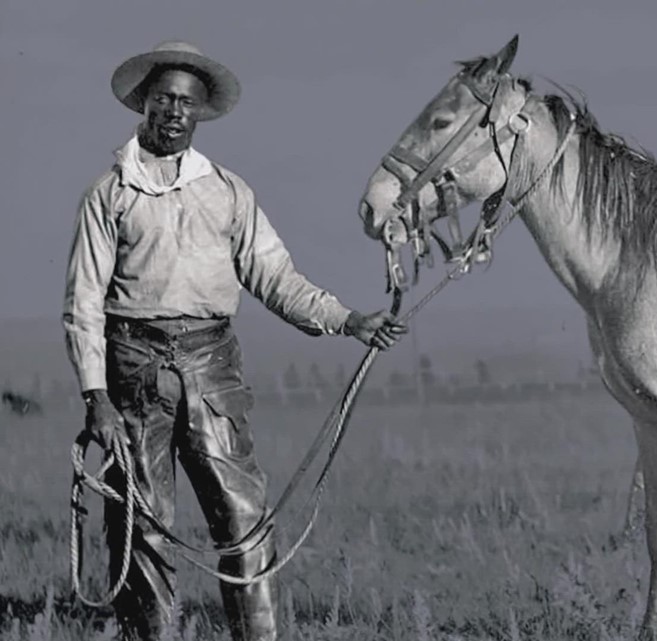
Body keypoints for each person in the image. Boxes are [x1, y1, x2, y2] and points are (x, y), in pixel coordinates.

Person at [62, 40, 406, 641]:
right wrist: (96, 398)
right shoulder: (109, 193)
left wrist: (348, 319)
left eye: (186, 102)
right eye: (164, 98)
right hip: (133, 369)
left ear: (201, 112)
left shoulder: (228, 191)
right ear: (144, 103)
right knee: (141, 524)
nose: (174, 112)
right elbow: (84, 302)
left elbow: (276, 277)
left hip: (212, 364)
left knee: (244, 518)